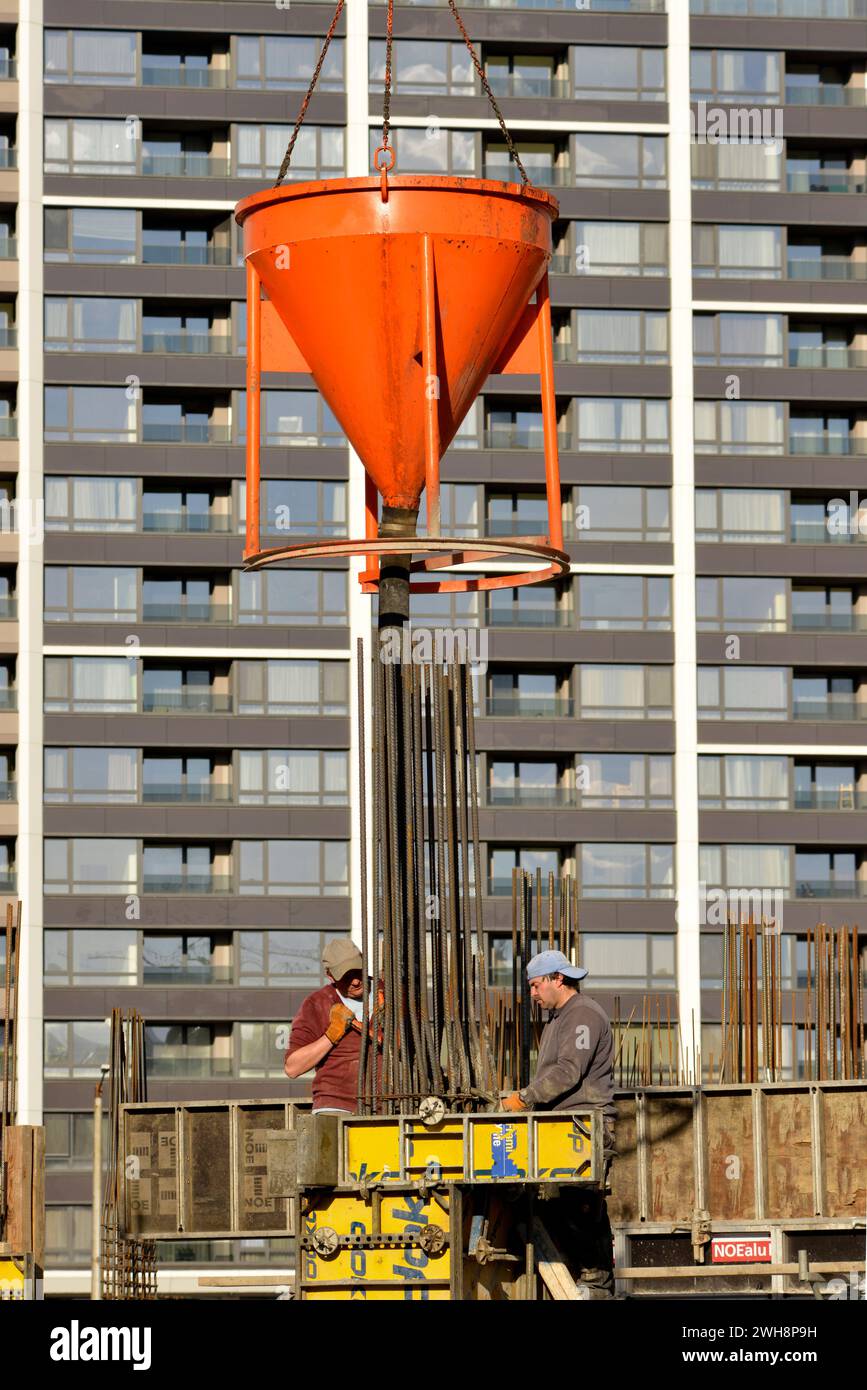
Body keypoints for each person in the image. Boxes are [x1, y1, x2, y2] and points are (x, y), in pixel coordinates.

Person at [501, 949, 617, 1297]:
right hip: (564, 1126)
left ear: (557, 979)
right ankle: (578, 1281)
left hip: (583, 1126)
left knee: (580, 1205)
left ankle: (595, 1282)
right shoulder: (560, 1018)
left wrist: (524, 1098)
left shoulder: (581, 1015)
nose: (532, 994)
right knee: (561, 1206)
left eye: (536, 986)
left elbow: (568, 1071)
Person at [283, 938, 368, 1114]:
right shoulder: (316, 1004)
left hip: (386, 1105)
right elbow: (293, 1068)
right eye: (346, 976)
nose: (356, 982)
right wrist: (332, 1035)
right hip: (337, 1105)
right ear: (330, 975)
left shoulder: (389, 993)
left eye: (358, 972)